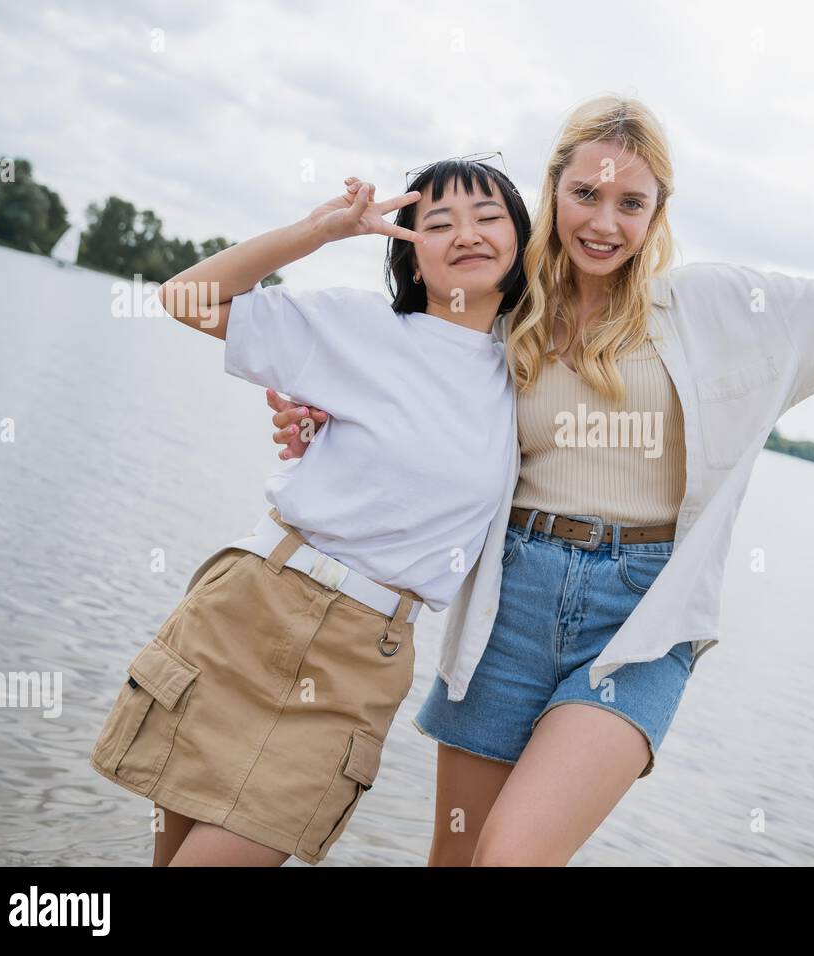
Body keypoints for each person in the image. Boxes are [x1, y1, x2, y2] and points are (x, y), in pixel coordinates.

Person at [267, 95, 814, 866]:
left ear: (658, 213)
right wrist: (323, 420)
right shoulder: (508, 313)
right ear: (553, 191)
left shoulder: (724, 311)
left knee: (510, 856)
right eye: (584, 195)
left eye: (630, 202)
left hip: (641, 618)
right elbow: (409, 386)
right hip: (511, 604)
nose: (603, 222)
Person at [89, 156, 531, 865]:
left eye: (489, 217)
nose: (467, 234)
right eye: (438, 221)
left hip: (360, 659)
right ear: (411, 257)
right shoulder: (356, 325)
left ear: (522, 244)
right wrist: (317, 231)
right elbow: (184, 298)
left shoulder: (533, 373)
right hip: (251, 606)